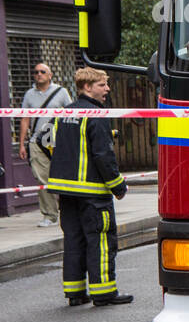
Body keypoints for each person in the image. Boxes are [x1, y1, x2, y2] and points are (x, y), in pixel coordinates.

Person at [46, 68, 132, 307]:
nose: (107, 89)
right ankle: (104, 293)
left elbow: (45, 141)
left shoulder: (64, 114)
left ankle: (75, 293)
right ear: (87, 87)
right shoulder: (96, 114)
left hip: (66, 192)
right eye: (102, 85)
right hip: (93, 193)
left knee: (73, 240)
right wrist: (118, 186)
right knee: (101, 241)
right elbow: (103, 156)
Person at [17, 62, 72, 227]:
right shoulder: (29, 95)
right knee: (42, 179)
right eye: (36, 72)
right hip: (36, 142)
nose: (38, 74)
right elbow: (25, 119)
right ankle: (50, 215)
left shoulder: (61, 92)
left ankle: (69, 212)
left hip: (58, 142)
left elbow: (71, 114)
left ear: (50, 75)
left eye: (42, 72)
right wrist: (21, 144)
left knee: (64, 177)